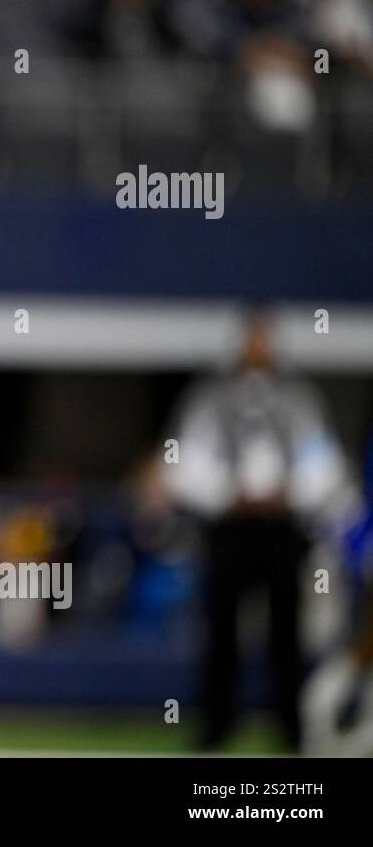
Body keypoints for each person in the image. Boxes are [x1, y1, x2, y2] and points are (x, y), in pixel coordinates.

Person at [163, 312, 347, 751]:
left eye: (265, 340)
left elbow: (322, 460)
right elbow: (186, 460)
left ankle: (290, 727)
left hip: (282, 530)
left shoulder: (299, 399)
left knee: (287, 631)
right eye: (253, 340)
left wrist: (290, 495)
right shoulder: (210, 398)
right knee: (221, 630)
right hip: (230, 530)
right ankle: (217, 724)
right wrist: (228, 494)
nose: (258, 349)